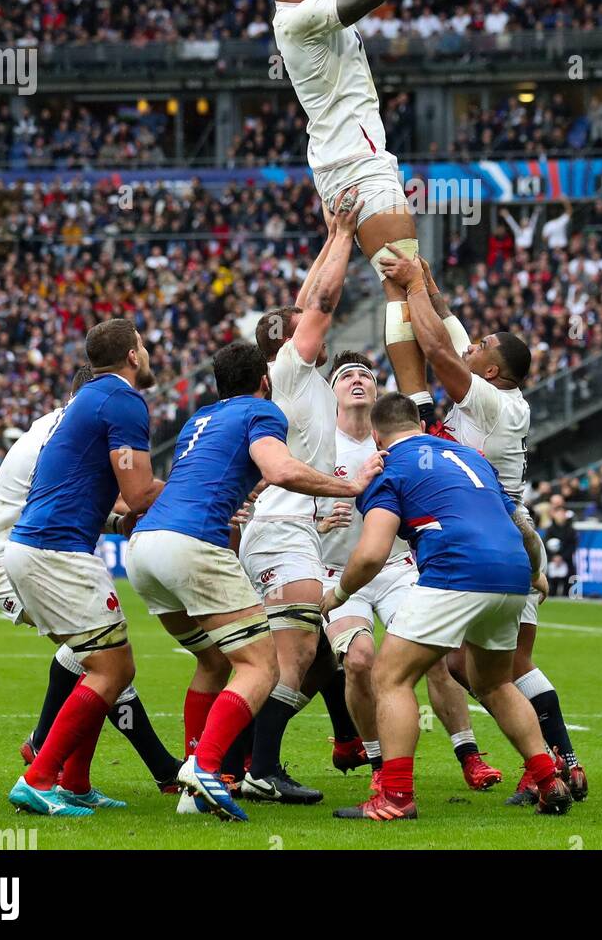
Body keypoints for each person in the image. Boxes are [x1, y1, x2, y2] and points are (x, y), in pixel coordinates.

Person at [125, 340, 381, 822]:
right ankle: (208, 768)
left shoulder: (197, 420)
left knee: (212, 660)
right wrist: (351, 486)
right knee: (261, 665)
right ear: (265, 381)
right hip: (192, 545)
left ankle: (194, 789)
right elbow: (280, 468)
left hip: (144, 550)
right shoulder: (261, 412)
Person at [380, 251, 588, 802]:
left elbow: (438, 347)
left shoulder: (493, 403)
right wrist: (423, 282)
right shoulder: (495, 395)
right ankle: (548, 766)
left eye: (482, 347)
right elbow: (449, 331)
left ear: (491, 371)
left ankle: (562, 763)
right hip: (501, 534)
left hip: (497, 533)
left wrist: (409, 291)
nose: (471, 345)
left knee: (505, 667)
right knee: (463, 664)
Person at [248, 0, 437, 424]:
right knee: (403, 277)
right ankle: (418, 409)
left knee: (415, 276)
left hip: (348, 159)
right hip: (354, 160)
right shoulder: (299, 18)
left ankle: (435, 394)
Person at [320, 393, 572, 822]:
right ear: (419, 427)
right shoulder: (469, 457)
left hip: (457, 570)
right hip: (511, 573)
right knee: (494, 683)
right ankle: (549, 780)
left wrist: (338, 596)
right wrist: (532, 573)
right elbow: (522, 525)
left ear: (378, 436)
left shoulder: (389, 467)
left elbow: (370, 554)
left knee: (390, 676)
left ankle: (395, 797)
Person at [0, 364, 181, 794]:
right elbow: (61, 506)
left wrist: (115, 520)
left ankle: (71, 774)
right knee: (107, 662)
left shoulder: (65, 431)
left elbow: (69, 502)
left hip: (38, 551)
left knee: (95, 655)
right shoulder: (59, 437)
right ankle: (61, 757)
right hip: (10, 562)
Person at [317, 351, 504, 794]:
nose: (358, 379)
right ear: (332, 393)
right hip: (337, 571)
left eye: (366, 373)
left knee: (434, 656)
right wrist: (318, 522)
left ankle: (469, 755)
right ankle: (380, 763)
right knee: (360, 661)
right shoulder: (318, 445)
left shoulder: (395, 444)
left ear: (378, 394)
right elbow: (288, 506)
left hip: (398, 567)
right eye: (347, 376)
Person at [3, 319, 161, 818]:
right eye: (143, 344)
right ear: (132, 356)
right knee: (114, 668)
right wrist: (199, 487)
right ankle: (39, 778)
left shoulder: (89, 399)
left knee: (93, 664)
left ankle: (73, 782)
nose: (148, 352)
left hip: (42, 545)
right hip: (58, 552)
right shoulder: (123, 400)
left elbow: (99, 494)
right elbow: (138, 494)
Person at [239, 190, 361, 803]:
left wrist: (329, 238)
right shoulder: (291, 370)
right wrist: (342, 235)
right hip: (285, 529)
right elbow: (319, 300)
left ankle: (252, 756)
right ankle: (253, 765)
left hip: (286, 525)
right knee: (295, 656)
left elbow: (307, 300)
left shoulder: (285, 377)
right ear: (285, 341)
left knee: (309, 657)